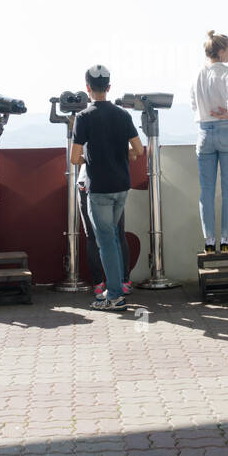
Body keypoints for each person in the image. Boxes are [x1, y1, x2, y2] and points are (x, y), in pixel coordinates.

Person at [71, 65, 143, 311]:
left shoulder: (83, 117)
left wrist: (89, 158)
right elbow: (139, 150)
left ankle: (113, 295)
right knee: (113, 236)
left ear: (88, 88)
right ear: (109, 87)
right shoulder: (123, 115)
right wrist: (124, 155)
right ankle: (117, 287)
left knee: (105, 241)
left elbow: (74, 157)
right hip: (121, 186)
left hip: (99, 188)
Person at [190, 30, 228, 253]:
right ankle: (226, 240)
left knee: (207, 191)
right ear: (221, 51)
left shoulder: (198, 75)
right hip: (226, 130)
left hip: (204, 131)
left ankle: (209, 242)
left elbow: (193, 101)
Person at [78, 164, 130, 298]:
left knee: (93, 237)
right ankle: (123, 282)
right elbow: (135, 151)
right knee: (117, 235)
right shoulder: (122, 141)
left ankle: (99, 284)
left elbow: (74, 157)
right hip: (116, 182)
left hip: (90, 182)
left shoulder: (87, 141)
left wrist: (88, 157)